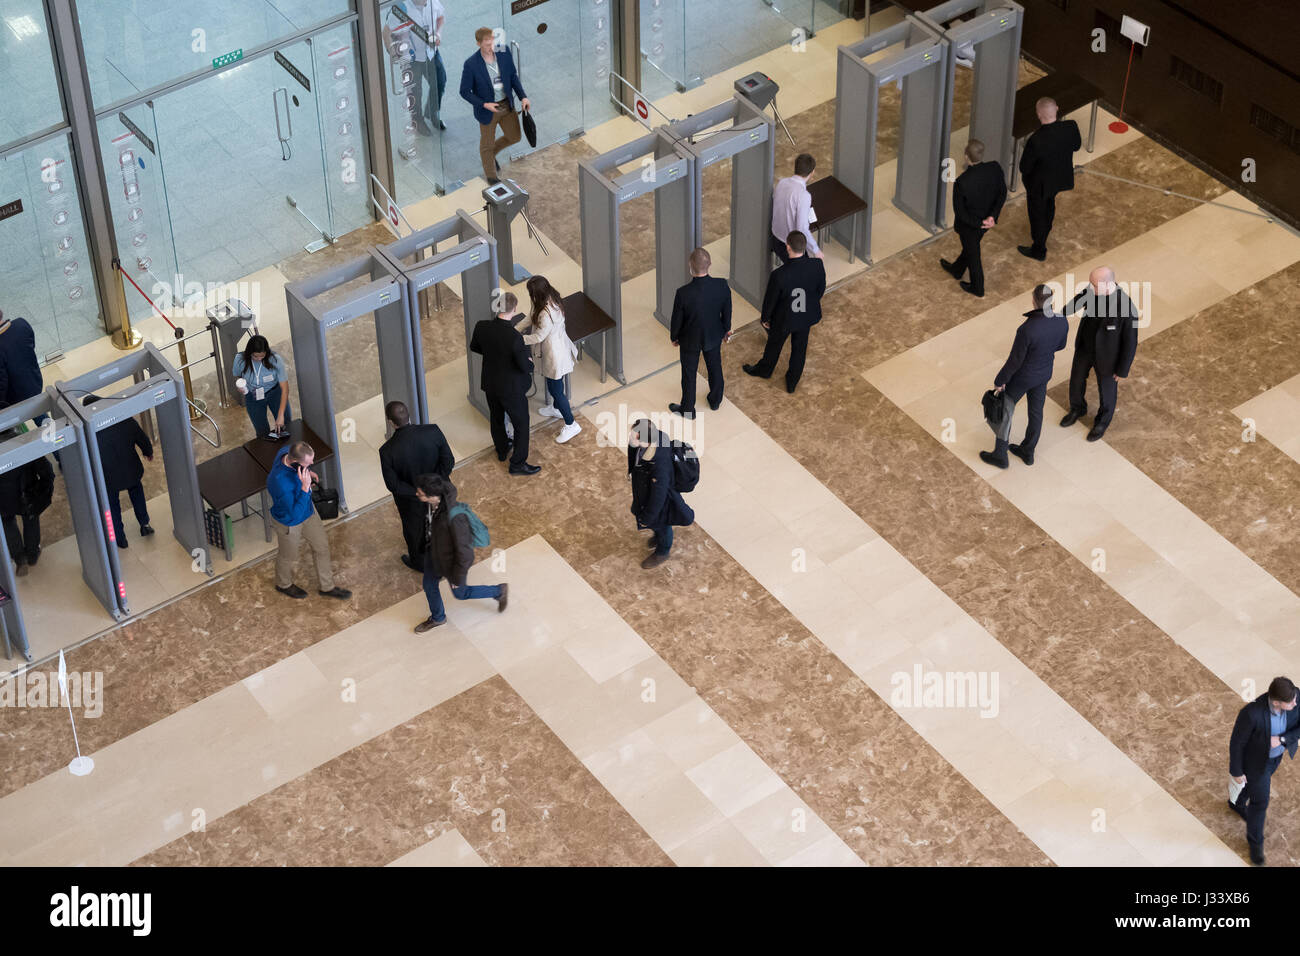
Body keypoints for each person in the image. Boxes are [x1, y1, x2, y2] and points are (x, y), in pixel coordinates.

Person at [980, 284, 1068, 469]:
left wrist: (1000, 380)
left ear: (1034, 301)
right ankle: (1028, 450)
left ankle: (1000, 455)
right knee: (1036, 412)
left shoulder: (1027, 329)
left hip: (1023, 378)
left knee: (1005, 412)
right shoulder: (1061, 320)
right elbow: (1060, 346)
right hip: (1044, 374)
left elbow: (1015, 361)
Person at [412, 472, 506, 633]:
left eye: (420, 493)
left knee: (461, 593)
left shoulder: (454, 518)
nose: (416, 494)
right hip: (434, 553)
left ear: (433, 496)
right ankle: (438, 618)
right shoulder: (430, 504)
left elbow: (465, 553)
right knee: (429, 584)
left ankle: (499, 591)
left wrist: (457, 577)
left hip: (449, 562)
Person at [1059, 266, 1140, 442]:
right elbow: (1076, 302)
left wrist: (1122, 369)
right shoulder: (1093, 290)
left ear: (1107, 284)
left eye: (1094, 285)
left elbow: (1131, 342)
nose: (1090, 288)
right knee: (1076, 379)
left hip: (1108, 357)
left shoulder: (1126, 307)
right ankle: (1077, 408)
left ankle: (1102, 422)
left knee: (1107, 391)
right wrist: (1059, 315)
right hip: (1085, 347)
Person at [743, 231, 826, 394]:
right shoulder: (817, 265)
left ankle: (765, 370)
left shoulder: (779, 275)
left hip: (784, 319)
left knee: (774, 345)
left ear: (788, 247)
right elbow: (820, 289)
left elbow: (770, 300)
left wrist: (765, 318)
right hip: (805, 317)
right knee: (800, 348)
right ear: (804, 248)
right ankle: (792, 381)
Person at [266, 440, 351, 600]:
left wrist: (308, 472)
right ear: (296, 462)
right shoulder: (280, 482)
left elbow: (302, 465)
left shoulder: (288, 452)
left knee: (322, 547)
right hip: (290, 521)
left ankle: (327, 587)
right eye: (308, 462)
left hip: (308, 512)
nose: (312, 463)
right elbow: (295, 514)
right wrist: (305, 488)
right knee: (288, 555)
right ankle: (283, 584)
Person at [1229, 677, 1300, 865]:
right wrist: (1236, 772)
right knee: (1260, 802)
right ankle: (1255, 845)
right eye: (1291, 702)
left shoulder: (1295, 696)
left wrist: (1283, 740)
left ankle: (1236, 803)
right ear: (1276, 702)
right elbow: (1237, 743)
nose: (1295, 703)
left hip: (1276, 757)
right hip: (1256, 763)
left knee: (1254, 787)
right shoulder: (1251, 713)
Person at [378, 400, 454, 572]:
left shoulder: (387, 451)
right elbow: (448, 461)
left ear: (390, 422)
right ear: (409, 414)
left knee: (415, 532)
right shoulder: (433, 431)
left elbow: (393, 485)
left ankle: (420, 563)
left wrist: (418, 492)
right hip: (439, 492)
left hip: (411, 503)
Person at [469, 292, 539, 475]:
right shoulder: (515, 337)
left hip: (490, 383)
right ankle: (517, 464)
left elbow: (474, 347)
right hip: (512, 389)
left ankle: (501, 450)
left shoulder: (481, 326)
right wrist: (530, 361)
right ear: (514, 310)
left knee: (497, 417)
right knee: (521, 424)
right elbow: (526, 367)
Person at [459, 26, 529, 185]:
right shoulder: (471, 64)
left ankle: (491, 155)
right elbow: (464, 91)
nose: (491, 47)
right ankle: (491, 177)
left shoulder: (503, 53)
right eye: (486, 44)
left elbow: (513, 77)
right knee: (486, 145)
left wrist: (523, 97)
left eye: (492, 42)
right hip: (488, 109)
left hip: (506, 104)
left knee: (514, 137)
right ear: (478, 44)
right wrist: (484, 104)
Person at [83, 394, 154, 548]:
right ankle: (144, 524)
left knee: (112, 506)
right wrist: (148, 451)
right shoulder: (122, 418)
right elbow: (140, 436)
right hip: (131, 469)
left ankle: (119, 538)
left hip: (108, 478)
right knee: (137, 494)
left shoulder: (89, 432)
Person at [669, 247, 732, 418]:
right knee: (715, 367)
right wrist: (726, 329)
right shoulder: (722, 285)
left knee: (689, 374)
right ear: (710, 264)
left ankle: (688, 409)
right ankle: (715, 400)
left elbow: (677, 320)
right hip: (713, 335)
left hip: (689, 340)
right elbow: (727, 310)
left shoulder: (683, 293)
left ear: (690, 266)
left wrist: (674, 337)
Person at [940, 139, 1007, 298]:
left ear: (966, 157)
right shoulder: (995, 167)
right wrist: (992, 217)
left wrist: (980, 223)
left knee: (973, 255)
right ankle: (957, 269)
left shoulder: (962, 182)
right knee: (971, 247)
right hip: (987, 221)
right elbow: (1002, 193)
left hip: (970, 226)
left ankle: (978, 287)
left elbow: (960, 213)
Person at [1017, 97, 1081, 261]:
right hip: (1059, 178)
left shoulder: (1036, 140)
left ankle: (1039, 249)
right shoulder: (1071, 126)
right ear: (1057, 108)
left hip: (1039, 184)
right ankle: (1046, 229)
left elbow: (1024, 167)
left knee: (1037, 213)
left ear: (1039, 114)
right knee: (1050, 204)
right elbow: (1076, 146)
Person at [519, 276, 581, 444]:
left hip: (555, 354)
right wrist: (516, 329)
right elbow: (532, 315)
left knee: (556, 390)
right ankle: (555, 408)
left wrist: (519, 339)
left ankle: (571, 423)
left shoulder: (547, 314)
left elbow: (539, 336)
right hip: (554, 350)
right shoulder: (550, 298)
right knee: (554, 385)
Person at [627, 419, 695, 570]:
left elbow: (659, 496)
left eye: (632, 436)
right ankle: (658, 535)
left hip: (659, 503)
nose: (629, 438)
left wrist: (647, 518)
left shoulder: (659, 466)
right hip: (646, 493)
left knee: (662, 526)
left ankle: (663, 551)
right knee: (657, 524)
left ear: (642, 439)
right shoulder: (652, 441)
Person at [383, 0, 448, 134]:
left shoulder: (433, 3)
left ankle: (432, 112)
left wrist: (439, 34)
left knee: (440, 81)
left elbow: (441, 18)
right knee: (414, 92)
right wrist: (392, 50)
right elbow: (386, 32)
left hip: (431, 53)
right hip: (412, 58)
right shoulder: (402, 7)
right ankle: (418, 121)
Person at [0, 426, 54, 577]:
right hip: (27, 494)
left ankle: (19, 558)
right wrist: (45, 487)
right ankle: (32, 554)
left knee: (8, 525)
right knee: (31, 520)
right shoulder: (24, 443)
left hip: (3, 500)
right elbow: (45, 469)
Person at [231, 335, 291, 440]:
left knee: (285, 423)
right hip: (253, 397)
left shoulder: (275, 360)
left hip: (275, 393)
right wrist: (239, 385)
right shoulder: (240, 359)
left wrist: (280, 415)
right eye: (255, 356)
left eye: (262, 356)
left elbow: (285, 388)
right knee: (262, 431)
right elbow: (237, 376)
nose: (259, 359)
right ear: (250, 353)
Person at [770, 153, 825, 265]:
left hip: (775, 237)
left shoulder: (782, 183)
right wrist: (816, 250)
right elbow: (801, 228)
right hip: (790, 245)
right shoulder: (803, 195)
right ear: (812, 172)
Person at [0, 310, 44, 412]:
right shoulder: (21, 324)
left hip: (16, 396)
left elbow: (2, 382)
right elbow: (31, 345)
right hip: (34, 381)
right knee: (37, 410)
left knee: (32, 412)